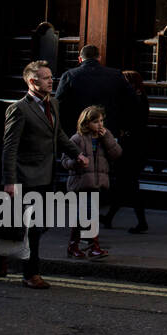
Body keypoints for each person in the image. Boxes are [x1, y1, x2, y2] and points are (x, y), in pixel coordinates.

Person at [1, 60, 81, 289]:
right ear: (32, 81)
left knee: (39, 226)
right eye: (46, 78)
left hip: (47, 176)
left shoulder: (53, 103)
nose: (51, 81)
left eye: (50, 76)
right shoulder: (19, 109)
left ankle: (3, 256)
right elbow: (9, 148)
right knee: (30, 228)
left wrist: (77, 154)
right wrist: (9, 181)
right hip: (25, 177)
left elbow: (59, 135)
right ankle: (30, 274)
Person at [64, 106, 117, 260]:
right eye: (95, 121)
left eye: (101, 121)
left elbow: (116, 153)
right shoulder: (77, 139)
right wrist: (77, 162)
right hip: (80, 183)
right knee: (88, 214)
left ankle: (75, 246)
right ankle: (92, 247)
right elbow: (65, 161)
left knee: (87, 215)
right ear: (86, 123)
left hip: (96, 183)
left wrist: (107, 137)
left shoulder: (104, 137)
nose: (100, 125)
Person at [55, 45, 138, 139]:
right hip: (108, 130)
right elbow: (132, 101)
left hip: (78, 132)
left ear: (80, 59)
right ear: (99, 58)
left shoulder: (70, 75)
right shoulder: (116, 75)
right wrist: (123, 126)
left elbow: (59, 104)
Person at [102, 71, 149, 234]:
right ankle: (109, 216)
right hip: (136, 146)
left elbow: (131, 121)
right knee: (124, 184)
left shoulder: (134, 99)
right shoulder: (140, 97)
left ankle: (142, 222)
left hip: (131, 147)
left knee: (129, 184)